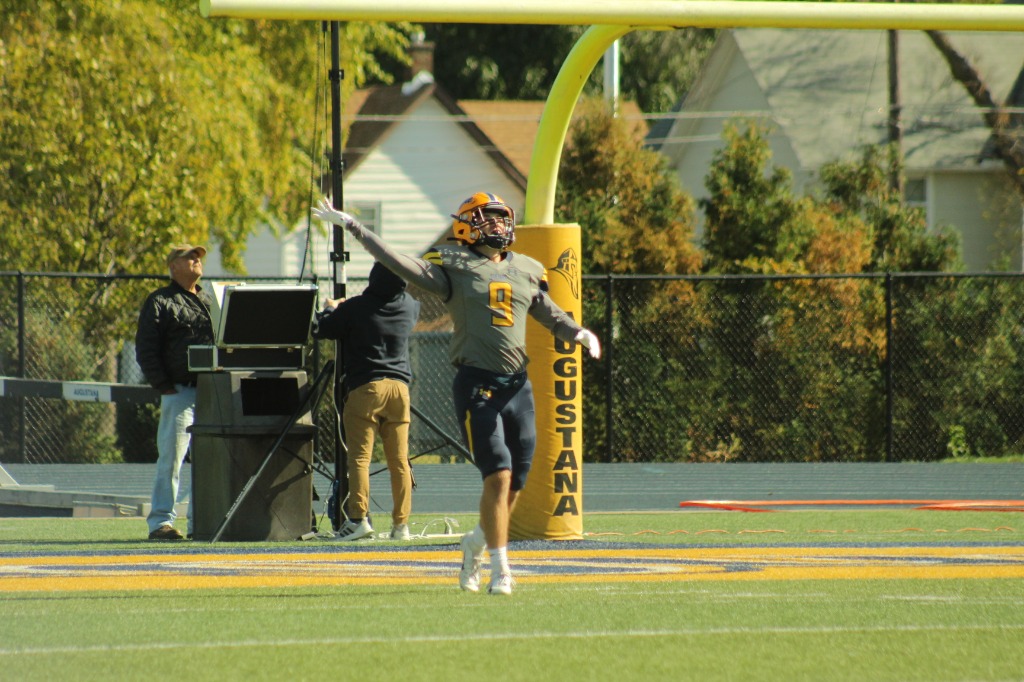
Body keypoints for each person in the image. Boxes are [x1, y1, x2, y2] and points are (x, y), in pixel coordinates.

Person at [313, 192, 601, 595]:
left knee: (514, 484)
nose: (498, 224)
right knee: (498, 474)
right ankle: (501, 570)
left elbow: (548, 312)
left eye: (501, 218)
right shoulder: (455, 265)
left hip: (518, 386)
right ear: (467, 226)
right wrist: (354, 227)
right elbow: (398, 261)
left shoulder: (526, 268)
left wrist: (577, 332)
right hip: (477, 382)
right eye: (488, 218)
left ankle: (475, 543)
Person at [314, 262, 421, 541]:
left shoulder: (355, 307)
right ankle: (401, 526)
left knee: (360, 458)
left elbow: (323, 328)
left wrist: (331, 308)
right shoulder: (409, 306)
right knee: (400, 461)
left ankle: (358, 520)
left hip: (367, 388)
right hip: (400, 389)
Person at [135, 244, 214, 541]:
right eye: (189, 257)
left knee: (207, 461)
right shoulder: (160, 300)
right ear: (173, 266)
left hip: (211, 392)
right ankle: (160, 522)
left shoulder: (208, 299)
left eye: (198, 257)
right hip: (179, 391)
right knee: (171, 460)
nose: (196, 260)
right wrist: (164, 386)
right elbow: (146, 347)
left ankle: (200, 522)